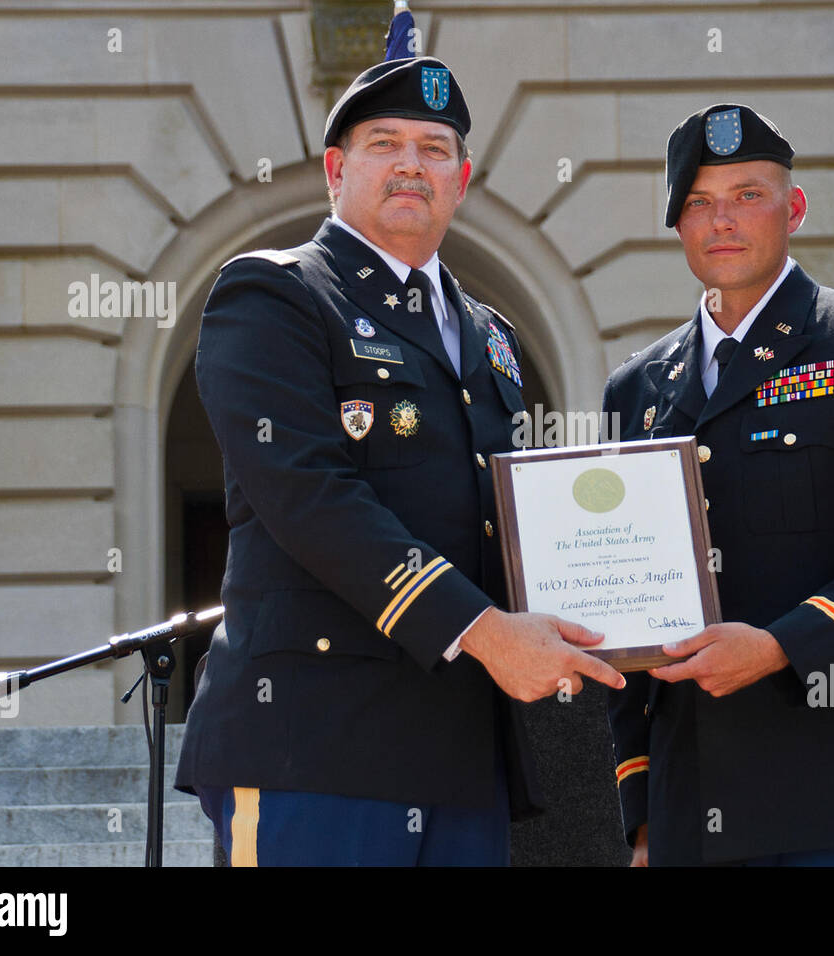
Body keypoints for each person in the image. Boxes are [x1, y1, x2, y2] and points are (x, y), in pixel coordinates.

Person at [175, 56, 624, 867]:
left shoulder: (493, 336)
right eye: (385, 144)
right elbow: (310, 496)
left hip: (461, 756)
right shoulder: (275, 295)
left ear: (463, 177)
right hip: (312, 746)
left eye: (434, 148)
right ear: (336, 170)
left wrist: (622, 609)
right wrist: (487, 632)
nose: (412, 164)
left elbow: (508, 521)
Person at [603, 104, 834, 866]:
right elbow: (623, 604)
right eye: (699, 202)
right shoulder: (633, 389)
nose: (722, 220)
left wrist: (776, 648)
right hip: (685, 811)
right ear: (676, 225)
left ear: (793, 207)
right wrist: (638, 811)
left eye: (747, 195)